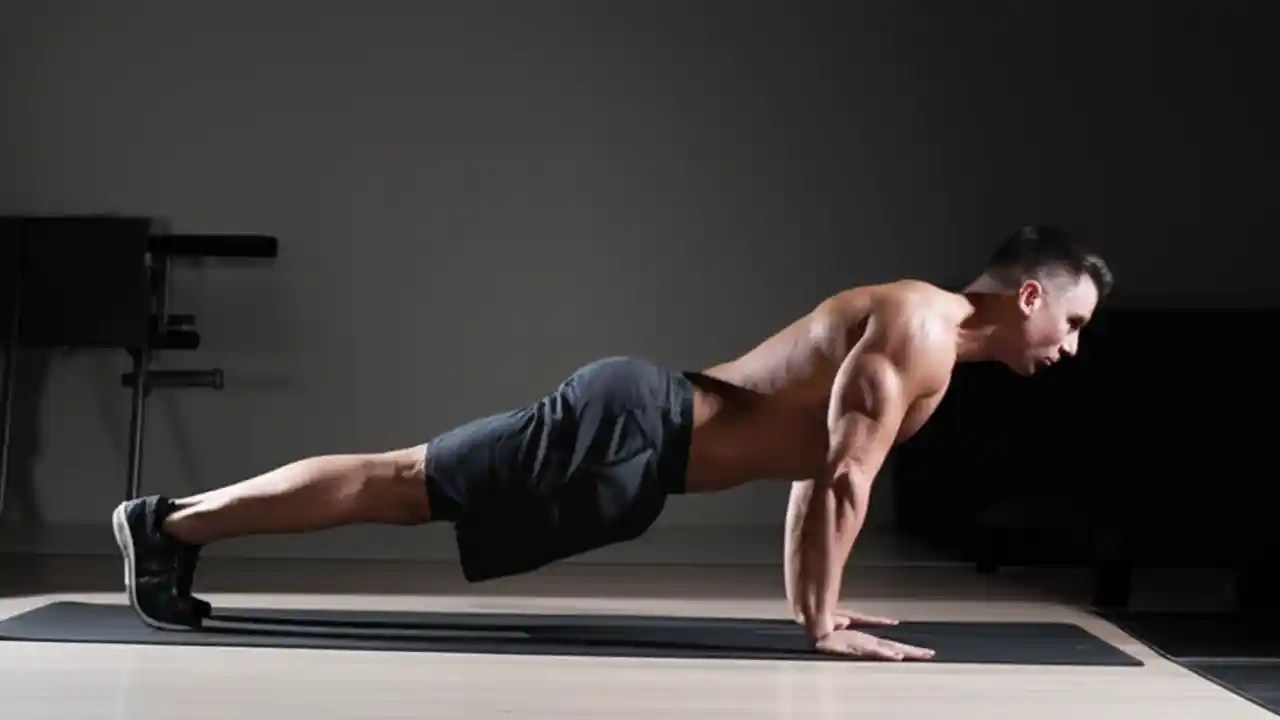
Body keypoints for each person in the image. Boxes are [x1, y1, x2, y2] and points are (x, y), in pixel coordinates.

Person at [111, 224, 1112, 660]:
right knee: (402, 482)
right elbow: (847, 477)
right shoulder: (916, 329)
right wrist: (818, 630)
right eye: (1070, 325)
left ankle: (175, 529)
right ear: (1029, 293)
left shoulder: (930, 351)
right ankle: (169, 524)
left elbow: (815, 476)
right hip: (633, 425)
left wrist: (820, 608)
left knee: (405, 489)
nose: (1069, 349)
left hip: (638, 463)